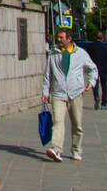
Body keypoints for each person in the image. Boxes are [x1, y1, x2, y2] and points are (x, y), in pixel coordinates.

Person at [42, 27, 98, 162]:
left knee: (77, 123)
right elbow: (47, 75)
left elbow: (92, 69)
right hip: (58, 93)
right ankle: (56, 149)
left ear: (69, 39)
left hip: (76, 93)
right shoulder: (54, 53)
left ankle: (76, 149)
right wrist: (45, 92)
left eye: (61, 38)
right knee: (57, 122)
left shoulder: (81, 53)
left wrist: (91, 82)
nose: (58, 40)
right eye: (58, 38)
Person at [81, 32, 107, 109]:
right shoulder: (104, 47)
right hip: (104, 69)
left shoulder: (91, 46)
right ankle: (104, 103)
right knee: (104, 86)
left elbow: (87, 57)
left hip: (93, 68)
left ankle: (96, 97)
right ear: (102, 39)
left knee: (94, 84)